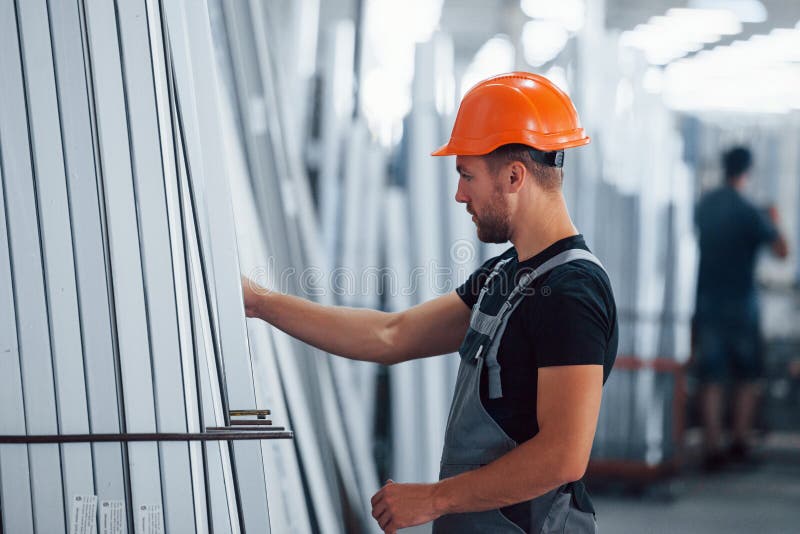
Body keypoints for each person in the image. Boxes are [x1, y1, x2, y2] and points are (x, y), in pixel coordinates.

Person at [242, 72, 618, 533]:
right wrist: (260, 303)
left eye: (467, 175)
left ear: (515, 176)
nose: (459, 194)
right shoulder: (506, 275)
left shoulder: (571, 292)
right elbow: (390, 335)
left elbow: (563, 455)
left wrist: (434, 499)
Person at [693, 145, 788, 471]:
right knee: (748, 375)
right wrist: (774, 220)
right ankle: (739, 441)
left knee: (712, 376)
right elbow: (782, 252)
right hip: (742, 304)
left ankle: (711, 446)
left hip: (706, 300)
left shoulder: (705, 205)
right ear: (747, 171)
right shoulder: (751, 211)